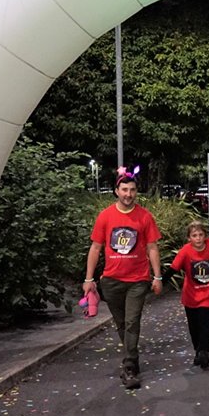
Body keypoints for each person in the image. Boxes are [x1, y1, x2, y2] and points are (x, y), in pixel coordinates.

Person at [83, 166, 164, 390]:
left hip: (138, 280)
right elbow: (96, 247)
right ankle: (132, 355)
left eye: (133, 190)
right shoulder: (106, 216)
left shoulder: (144, 217)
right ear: (116, 191)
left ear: (137, 192)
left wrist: (157, 276)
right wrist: (89, 279)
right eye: (124, 189)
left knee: (131, 322)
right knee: (121, 324)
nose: (129, 194)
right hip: (111, 281)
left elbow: (152, 248)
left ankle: (129, 366)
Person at [167, 220, 209, 369]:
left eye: (201, 235)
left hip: (208, 294)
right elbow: (173, 268)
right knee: (194, 326)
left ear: (205, 236)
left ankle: (204, 352)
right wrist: (158, 281)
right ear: (189, 238)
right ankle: (198, 350)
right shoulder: (186, 251)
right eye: (194, 235)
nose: (198, 238)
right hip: (190, 296)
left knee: (205, 324)